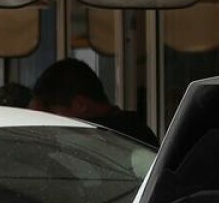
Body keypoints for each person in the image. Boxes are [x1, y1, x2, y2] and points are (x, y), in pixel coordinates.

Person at [29, 58, 159, 147]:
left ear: (81, 105)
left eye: (50, 117)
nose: (48, 128)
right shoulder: (132, 129)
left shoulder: (105, 140)